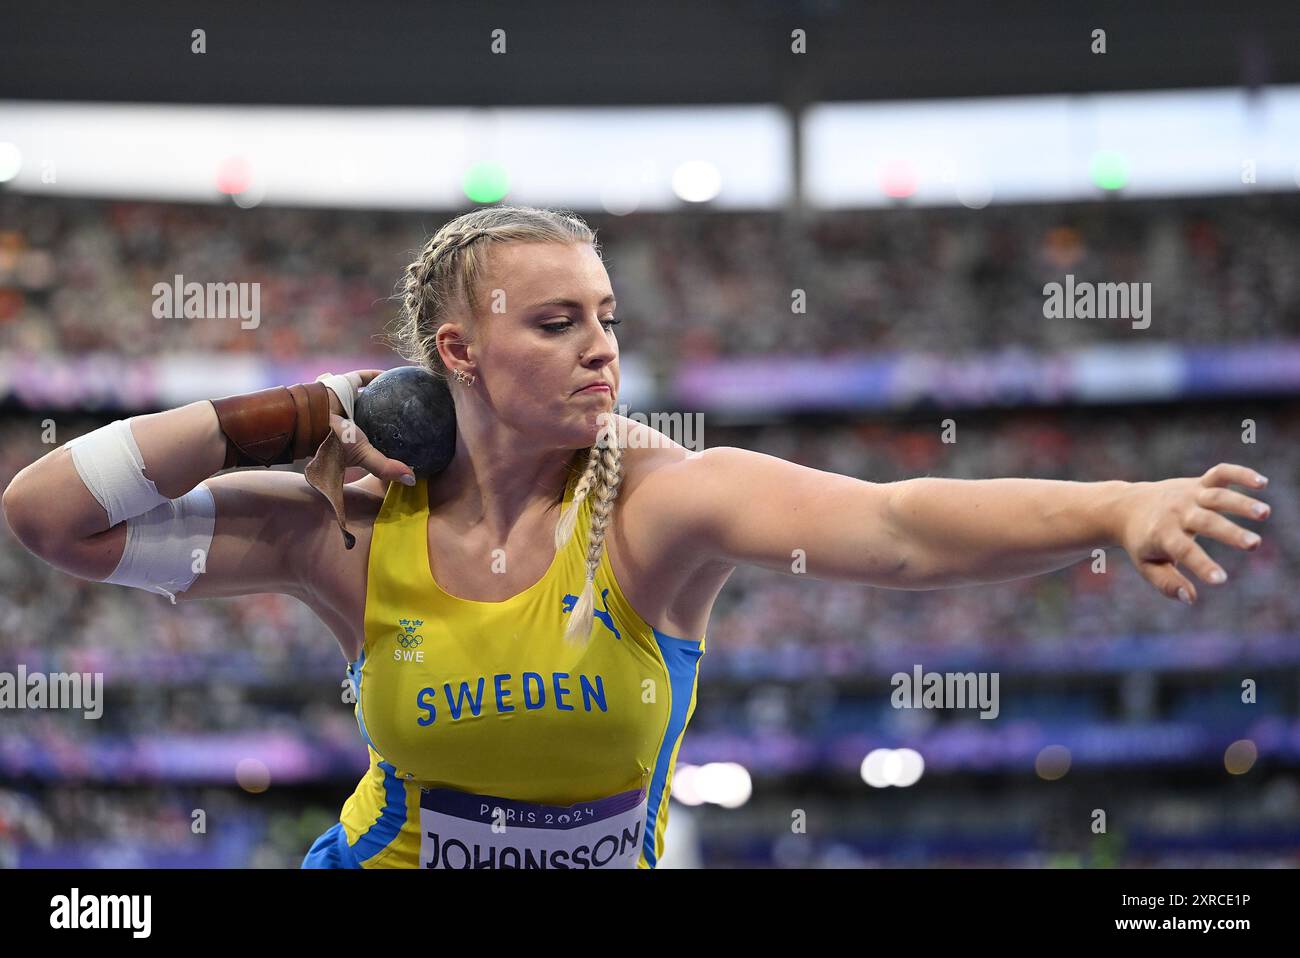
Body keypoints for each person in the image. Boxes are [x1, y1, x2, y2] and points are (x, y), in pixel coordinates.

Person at [2, 205, 1271, 869]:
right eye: (555, 322)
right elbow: (48, 516)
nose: (601, 347)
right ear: (459, 353)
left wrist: (1115, 504)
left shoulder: (661, 506)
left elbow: (891, 524)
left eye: (604, 316)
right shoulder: (342, 528)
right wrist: (282, 415)